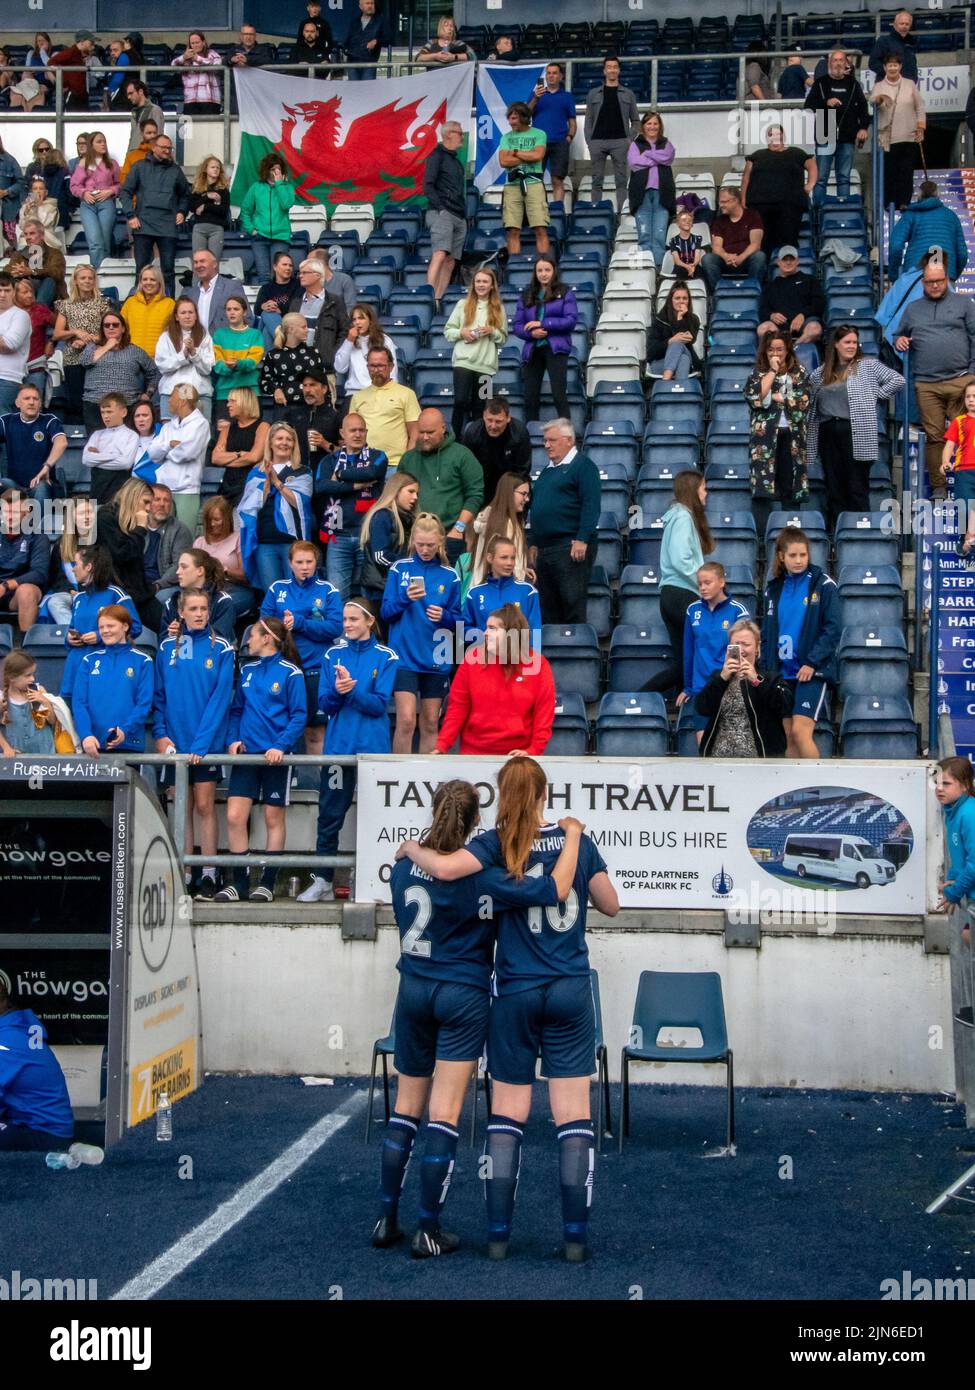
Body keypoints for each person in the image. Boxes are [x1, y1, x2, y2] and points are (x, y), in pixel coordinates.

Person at [400, 755, 619, 1262]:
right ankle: (575, 1241)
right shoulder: (576, 842)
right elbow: (610, 903)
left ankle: (498, 1238)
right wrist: (574, 840)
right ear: (544, 794)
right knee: (573, 1117)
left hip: (515, 991)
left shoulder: (495, 845)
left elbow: (448, 868)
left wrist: (410, 846)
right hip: (569, 987)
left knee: (507, 1116)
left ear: (501, 794)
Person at [297, 596, 396, 908]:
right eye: (345, 619)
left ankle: (366, 879)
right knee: (330, 816)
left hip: (373, 752)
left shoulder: (387, 657)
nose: (348, 624)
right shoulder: (332, 654)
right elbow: (325, 704)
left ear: (369, 621)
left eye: (354, 619)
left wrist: (351, 691)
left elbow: (379, 704)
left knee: (373, 817)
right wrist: (341, 694)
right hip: (339, 750)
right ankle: (323, 880)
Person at [214, 616, 307, 905]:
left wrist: (280, 746)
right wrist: (232, 739)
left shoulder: (291, 673)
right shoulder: (247, 670)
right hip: (247, 757)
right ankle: (239, 883)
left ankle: (267, 883)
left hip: (275, 759)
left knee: (272, 817)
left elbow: (299, 715)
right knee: (234, 817)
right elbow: (237, 710)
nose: (247, 641)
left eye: (251, 636)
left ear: (267, 638)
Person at [153, 588, 235, 900]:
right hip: (174, 741)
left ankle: (209, 873)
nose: (199, 614)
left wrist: (201, 745)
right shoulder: (165, 648)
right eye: (193, 609)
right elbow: (159, 697)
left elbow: (220, 700)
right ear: (181, 613)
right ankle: (185, 873)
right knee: (181, 807)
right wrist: (161, 735)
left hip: (206, 743)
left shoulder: (223, 648)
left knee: (204, 805)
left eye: (203, 608)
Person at [808, 324, 905, 529]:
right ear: (836, 344)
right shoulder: (820, 373)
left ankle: (861, 531)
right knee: (834, 487)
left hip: (855, 432)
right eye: (847, 342)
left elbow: (897, 380)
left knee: (856, 486)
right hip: (828, 433)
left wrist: (875, 396)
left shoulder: (867, 365)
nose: (852, 346)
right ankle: (838, 533)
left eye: (854, 342)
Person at [381, 511, 462, 754]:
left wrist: (445, 617)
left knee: (430, 722)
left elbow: (460, 621)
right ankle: (398, 779)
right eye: (420, 544)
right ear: (412, 542)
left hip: (436, 657)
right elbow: (385, 613)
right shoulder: (399, 569)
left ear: (440, 543)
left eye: (430, 545)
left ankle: (429, 780)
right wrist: (405, 599)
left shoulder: (450, 576)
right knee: (406, 720)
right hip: (404, 656)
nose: (425, 550)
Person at [760, 526, 841, 758]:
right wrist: (768, 672)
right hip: (783, 674)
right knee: (788, 735)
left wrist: (812, 662)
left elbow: (833, 629)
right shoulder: (772, 590)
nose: (798, 560)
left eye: (803, 555)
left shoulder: (823, 585)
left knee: (800, 731)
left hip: (811, 672)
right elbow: (767, 634)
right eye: (793, 555)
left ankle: (817, 787)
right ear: (781, 557)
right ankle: (792, 793)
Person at [894, 261, 975, 493]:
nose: (935, 285)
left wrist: (972, 374)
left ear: (947, 279)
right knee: (934, 437)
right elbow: (899, 334)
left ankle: (964, 488)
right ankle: (939, 489)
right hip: (926, 383)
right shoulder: (913, 308)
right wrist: (899, 340)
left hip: (960, 379)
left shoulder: (964, 304)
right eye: (930, 282)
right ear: (923, 283)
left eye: (939, 281)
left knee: (967, 435)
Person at [260, 538, 342, 758]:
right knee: (286, 728)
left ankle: (317, 787)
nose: (305, 567)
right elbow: (264, 625)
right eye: (299, 562)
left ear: (316, 562)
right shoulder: (277, 589)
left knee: (315, 731)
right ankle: (290, 785)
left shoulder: (328, 591)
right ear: (290, 563)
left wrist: (301, 623)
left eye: (309, 561)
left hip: (316, 669)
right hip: (285, 669)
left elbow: (336, 627)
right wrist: (282, 627)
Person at [435, 603, 552, 755]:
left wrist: (533, 750)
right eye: (486, 627)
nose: (484, 633)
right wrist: (442, 745)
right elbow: (457, 708)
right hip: (475, 754)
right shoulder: (472, 659)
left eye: (492, 628)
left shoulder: (538, 664)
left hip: (519, 757)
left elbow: (544, 712)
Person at [527, 420, 599, 625]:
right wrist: (533, 542)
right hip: (545, 549)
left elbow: (591, 505)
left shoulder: (584, 467)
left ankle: (574, 652)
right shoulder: (548, 471)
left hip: (569, 547)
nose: (547, 445)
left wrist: (582, 538)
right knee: (548, 607)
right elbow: (537, 507)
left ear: (569, 440)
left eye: (552, 440)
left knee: (572, 604)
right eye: (545, 441)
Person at [313, 411, 388, 597]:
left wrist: (339, 476)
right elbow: (321, 485)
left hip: (368, 535)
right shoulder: (329, 460)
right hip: (338, 535)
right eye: (352, 430)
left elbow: (371, 473)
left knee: (368, 592)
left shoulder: (377, 456)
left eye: (361, 430)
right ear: (342, 433)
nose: (357, 434)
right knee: (337, 594)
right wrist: (355, 485)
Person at [745, 332, 813, 533]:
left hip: (792, 439)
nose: (776, 353)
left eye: (779, 349)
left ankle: (790, 536)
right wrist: (772, 372)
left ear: (787, 350)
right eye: (771, 349)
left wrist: (778, 398)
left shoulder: (799, 372)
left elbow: (804, 401)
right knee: (763, 491)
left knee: (790, 488)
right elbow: (755, 397)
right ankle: (761, 540)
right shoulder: (758, 373)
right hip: (764, 441)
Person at [677, 562, 751, 746]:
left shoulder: (737, 611)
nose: (702, 587)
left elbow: (743, 651)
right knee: (705, 746)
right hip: (701, 688)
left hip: (728, 688)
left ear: (721, 582)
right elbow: (688, 651)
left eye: (707, 583)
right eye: (700, 583)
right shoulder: (692, 610)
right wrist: (687, 687)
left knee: (729, 746)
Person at [0, 973, 75, 1153]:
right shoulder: (15, 1028)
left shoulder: (9, 1039)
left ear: (2, 1003)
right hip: (29, 1125)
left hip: (45, 1137)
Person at [654, 471, 715, 694]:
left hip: (671, 595)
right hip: (683, 595)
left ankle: (683, 705)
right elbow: (681, 559)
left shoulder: (678, 516)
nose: (706, 493)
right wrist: (705, 583)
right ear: (693, 490)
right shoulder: (683, 518)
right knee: (694, 658)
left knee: (684, 662)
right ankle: (640, 695)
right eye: (703, 488)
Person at [399, 409, 485, 565]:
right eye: (421, 432)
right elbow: (397, 495)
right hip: (415, 539)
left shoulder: (462, 455)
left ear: (443, 428)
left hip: (450, 535)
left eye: (430, 432)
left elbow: (475, 494)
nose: (425, 437)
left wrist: (459, 528)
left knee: (449, 586)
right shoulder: (408, 459)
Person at [696, 618, 792, 758]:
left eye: (746, 644)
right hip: (718, 758)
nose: (740, 650)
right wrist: (722, 678)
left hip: (759, 760)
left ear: (757, 648)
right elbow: (702, 707)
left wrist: (756, 680)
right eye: (736, 644)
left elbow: (785, 705)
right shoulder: (718, 677)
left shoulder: (771, 678)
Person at [236, 422, 314, 590]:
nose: (284, 443)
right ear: (270, 442)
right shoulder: (256, 472)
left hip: (293, 544)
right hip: (265, 543)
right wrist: (265, 486)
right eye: (279, 438)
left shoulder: (303, 472)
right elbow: (248, 507)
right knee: (272, 593)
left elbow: (300, 503)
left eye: (289, 439)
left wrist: (277, 482)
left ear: (294, 444)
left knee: (298, 590)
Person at [60, 543, 141, 703]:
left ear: (89, 566)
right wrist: (69, 639)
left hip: (103, 667)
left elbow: (135, 627)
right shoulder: (79, 598)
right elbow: (71, 630)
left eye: (76, 564)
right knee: (70, 720)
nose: (73, 569)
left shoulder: (115, 594)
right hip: (75, 667)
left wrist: (99, 636)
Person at [74, 603, 154, 756]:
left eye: (110, 626)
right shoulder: (88, 661)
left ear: (125, 626)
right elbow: (79, 703)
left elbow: (144, 704)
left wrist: (125, 730)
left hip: (129, 744)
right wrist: (86, 735)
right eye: (101, 627)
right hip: (93, 745)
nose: (105, 631)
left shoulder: (143, 661)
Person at [120, 133, 190, 298]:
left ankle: (169, 305)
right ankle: (139, 303)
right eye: (163, 147)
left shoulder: (175, 170)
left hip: (167, 226)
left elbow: (186, 195)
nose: (167, 151)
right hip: (143, 224)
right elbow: (125, 192)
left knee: (167, 270)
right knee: (142, 270)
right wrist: (131, 215)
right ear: (154, 147)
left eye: (169, 148)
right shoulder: (139, 167)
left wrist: (182, 211)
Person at [512, 256, 578, 422]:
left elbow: (570, 321)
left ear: (554, 271)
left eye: (547, 270)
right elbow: (518, 325)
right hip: (533, 349)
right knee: (530, 396)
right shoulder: (527, 294)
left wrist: (543, 323)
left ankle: (567, 435)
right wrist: (531, 334)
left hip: (555, 348)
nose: (543, 274)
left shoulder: (564, 292)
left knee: (558, 394)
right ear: (535, 273)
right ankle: (531, 435)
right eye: (540, 270)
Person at [444, 268, 508, 440]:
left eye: (485, 281)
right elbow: (448, 332)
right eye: (478, 281)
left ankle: (478, 441)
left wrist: (492, 331)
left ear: (492, 285)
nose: (481, 285)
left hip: (486, 367)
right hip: (463, 363)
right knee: (460, 401)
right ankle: (455, 439)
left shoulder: (498, 308)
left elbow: (502, 339)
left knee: (482, 405)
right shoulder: (462, 305)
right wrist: (461, 333)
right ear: (473, 284)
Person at [805, 50, 869, 208]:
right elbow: (808, 106)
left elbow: (863, 108)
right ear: (829, 63)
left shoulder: (853, 84)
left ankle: (843, 212)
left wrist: (863, 128)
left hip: (847, 136)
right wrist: (825, 103)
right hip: (825, 134)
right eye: (835, 60)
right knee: (820, 179)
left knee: (844, 178)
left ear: (846, 63)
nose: (838, 63)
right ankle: (819, 213)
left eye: (842, 60)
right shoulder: (820, 83)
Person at [78, 309, 158, 434]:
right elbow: (86, 362)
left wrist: (148, 394)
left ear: (123, 328)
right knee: (98, 449)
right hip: (95, 406)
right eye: (106, 325)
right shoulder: (92, 347)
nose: (111, 328)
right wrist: (107, 346)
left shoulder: (135, 351)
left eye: (115, 325)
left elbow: (153, 372)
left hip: (127, 406)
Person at [143, 384, 210, 531]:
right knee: (160, 535)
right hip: (164, 489)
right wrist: (169, 445)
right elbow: (153, 454)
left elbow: (187, 453)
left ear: (183, 400)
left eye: (172, 397)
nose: (169, 401)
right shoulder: (168, 427)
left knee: (185, 536)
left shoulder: (201, 424)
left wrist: (165, 451)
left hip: (187, 490)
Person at [741, 125, 816, 257]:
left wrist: (810, 184)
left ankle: (787, 273)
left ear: (783, 136)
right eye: (771, 134)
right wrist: (743, 199)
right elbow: (746, 178)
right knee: (762, 242)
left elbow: (812, 166)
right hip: (760, 205)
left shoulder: (796, 153)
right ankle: (764, 275)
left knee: (788, 241)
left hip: (790, 205)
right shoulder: (757, 155)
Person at [52, 264, 108, 421]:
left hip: (96, 356)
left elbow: (108, 331)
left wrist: (87, 340)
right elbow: (57, 333)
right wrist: (75, 332)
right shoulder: (66, 304)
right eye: (83, 278)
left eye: (90, 278)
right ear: (75, 281)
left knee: (96, 398)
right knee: (76, 400)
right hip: (73, 357)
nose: (87, 281)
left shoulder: (102, 303)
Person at [870, 55, 925, 212]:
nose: (893, 68)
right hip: (888, 138)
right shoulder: (879, 86)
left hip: (909, 135)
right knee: (889, 171)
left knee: (906, 171)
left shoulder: (909, 85)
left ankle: (904, 202)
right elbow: (872, 101)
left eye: (895, 65)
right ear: (885, 67)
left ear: (900, 66)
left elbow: (920, 107)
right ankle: (889, 202)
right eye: (889, 65)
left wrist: (921, 127)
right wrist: (881, 97)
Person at [350, 347, 421, 468]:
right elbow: (350, 432)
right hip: (364, 464)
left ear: (391, 366)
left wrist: (406, 463)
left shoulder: (407, 394)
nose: (376, 370)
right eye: (372, 366)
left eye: (380, 366)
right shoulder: (358, 397)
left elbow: (415, 433)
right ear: (367, 367)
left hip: (395, 465)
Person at [584, 56, 639, 210]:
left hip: (620, 142)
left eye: (615, 67)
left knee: (621, 181)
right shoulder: (593, 94)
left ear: (619, 70)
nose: (612, 70)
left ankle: (622, 215)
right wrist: (590, 141)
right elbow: (588, 119)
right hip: (597, 142)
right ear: (604, 70)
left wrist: (629, 139)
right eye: (609, 67)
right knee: (596, 181)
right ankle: (597, 212)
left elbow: (636, 120)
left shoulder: (628, 94)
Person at [463, 536, 541, 641]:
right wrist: (486, 638)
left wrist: (531, 656)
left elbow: (535, 631)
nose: (509, 563)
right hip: (484, 655)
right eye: (504, 557)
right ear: (490, 558)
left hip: (518, 656)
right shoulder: (474, 593)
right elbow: (464, 629)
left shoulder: (528, 591)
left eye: (512, 558)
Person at [423, 121, 467, 305]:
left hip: (458, 214)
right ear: (448, 134)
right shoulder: (437, 156)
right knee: (440, 254)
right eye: (459, 133)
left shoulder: (455, 161)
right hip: (443, 212)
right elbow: (428, 184)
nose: (462, 137)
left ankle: (438, 300)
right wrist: (441, 208)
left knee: (450, 261)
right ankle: (427, 299)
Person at [889, 181, 968, 283]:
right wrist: (952, 274)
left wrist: (894, 275)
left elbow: (896, 245)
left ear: (919, 194)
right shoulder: (952, 216)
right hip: (944, 276)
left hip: (915, 276)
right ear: (937, 194)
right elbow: (963, 254)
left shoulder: (910, 214)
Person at [499, 103, 550, 258]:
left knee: (540, 227)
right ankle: (515, 264)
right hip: (512, 185)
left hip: (534, 184)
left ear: (523, 117)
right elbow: (503, 161)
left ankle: (544, 263)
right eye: (509, 118)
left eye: (514, 118)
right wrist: (526, 156)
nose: (510, 121)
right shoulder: (506, 137)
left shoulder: (539, 134)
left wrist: (514, 152)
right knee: (512, 229)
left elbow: (537, 156)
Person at [467, 471, 533, 590]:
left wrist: (522, 569)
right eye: (523, 494)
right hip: (497, 592)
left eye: (528, 495)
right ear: (508, 493)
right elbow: (497, 565)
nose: (526, 499)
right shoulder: (499, 522)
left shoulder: (505, 520)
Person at [358, 470, 419, 600]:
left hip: (399, 584)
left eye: (417, 493)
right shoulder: (382, 516)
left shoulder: (410, 519)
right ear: (396, 491)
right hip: (379, 588)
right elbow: (380, 556)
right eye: (410, 491)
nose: (415, 497)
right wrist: (408, 566)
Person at [239, 154, 297, 289]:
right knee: (264, 276)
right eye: (273, 169)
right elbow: (245, 211)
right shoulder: (256, 187)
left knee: (280, 276)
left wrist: (279, 184)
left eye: (278, 169)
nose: (276, 172)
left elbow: (286, 204)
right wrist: (251, 229)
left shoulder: (287, 187)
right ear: (266, 170)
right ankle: (267, 308)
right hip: (260, 237)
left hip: (280, 237)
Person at [0, 384, 65, 501]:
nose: (31, 402)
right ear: (17, 403)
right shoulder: (6, 421)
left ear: (40, 403)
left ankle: (39, 520)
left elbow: (61, 442)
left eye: (35, 399)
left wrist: (47, 467)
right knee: (3, 483)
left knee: (40, 488)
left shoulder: (49, 420)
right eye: (27, 398)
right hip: (15, 486)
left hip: (43, 483)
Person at [462, 398, 530, 509]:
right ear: (484, 416)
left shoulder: (519, 433)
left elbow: (522, 471)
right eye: (489, 420)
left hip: (510, 486)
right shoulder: (472, 433)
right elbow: (466, 470)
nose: (493, 426)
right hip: (482, 485)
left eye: (498, 421)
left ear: (508, 418)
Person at [627, 111, 675, 267]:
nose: (652, 127)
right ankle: (647, 268)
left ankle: (659, 271)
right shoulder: (635, 144)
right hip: (641, 194)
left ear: (660, 126)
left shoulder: (666, 143)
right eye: (649, 123)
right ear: (643, 126)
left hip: (663, 193)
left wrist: (647, 154)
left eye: (655, 123)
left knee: (660, 234)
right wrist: (656, 158)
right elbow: (634, 163)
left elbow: (667, 157)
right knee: (645, 234)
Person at [155, 297, 214, 419]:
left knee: (200, 435)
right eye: (183, 313)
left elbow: (207, 369)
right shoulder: (166, 337)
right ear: (176, 316)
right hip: (172, 392)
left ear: (196, 315)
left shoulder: (205, 336)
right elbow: (163, 366)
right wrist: (183, 356)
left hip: (199, 392)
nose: (187, 316)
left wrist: (194, 353)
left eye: (191, 312)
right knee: (171, 434)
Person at [67, 130, 119, 269]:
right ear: (92, 145)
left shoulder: (112, 163)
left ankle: (105, 272)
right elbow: (74, 185)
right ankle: (96, 274)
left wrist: (110, 191)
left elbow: (120, 184)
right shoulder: (84, 163)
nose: (103, 144)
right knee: (95, 241)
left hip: (106, 203)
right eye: (99, 142)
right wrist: (84, 193)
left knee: (105, 241)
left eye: (104, 141)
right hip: (88, 205)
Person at [196, 494, 253, 620]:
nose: (212, 524)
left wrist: (224, 570)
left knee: (220, 606)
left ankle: (222, 638)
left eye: (217, 519)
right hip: (206, 589)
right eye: (208, 520)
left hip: (236, 588)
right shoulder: (200, 542)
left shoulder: (238, 538)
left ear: (226, 519)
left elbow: (247, 576)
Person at [0, 488, 49, 631]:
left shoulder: (38, 537)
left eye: (14, 512)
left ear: (26, 513)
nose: (9, 517)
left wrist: (6, 585)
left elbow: (39, 574)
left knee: (26, 591)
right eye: (5, 512)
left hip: (18, 593)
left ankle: (26, 647)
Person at [161, 548, 236, 642]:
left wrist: (184, 634)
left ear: (200, 571)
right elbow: (162, 645)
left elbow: (219, 642)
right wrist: (171, 636)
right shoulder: (172, 602)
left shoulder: (222, 601)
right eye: (178, 567)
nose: (178, 572)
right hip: (180, 656)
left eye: (184, 567)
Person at [528, 63, 577, 206]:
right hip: (539, 143)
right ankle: (539, 210)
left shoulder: (567, 97)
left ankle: (557, 211)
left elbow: (572, 122)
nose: (551, 76)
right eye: (548, 73)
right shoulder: (536, 95)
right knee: (536, 180)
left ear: (561, 76)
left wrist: (568, 138)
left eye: (554, 73)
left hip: (560, 142)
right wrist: (536, 98)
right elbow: (525, 115)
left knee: (557, 180)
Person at [211, 387, 268, 508]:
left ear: (244, 402)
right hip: (228, 485)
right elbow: (215, 458)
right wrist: (239, 454)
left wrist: (226, 460)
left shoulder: (263, 426)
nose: (227, 405)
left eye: (232, 401)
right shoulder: (227, 429)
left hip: (250, 484)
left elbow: (254, 457)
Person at [701, 186, 766, 292]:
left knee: (759, 256)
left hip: (746, 259)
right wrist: (726, 256)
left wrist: (741, 257)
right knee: (708, 259)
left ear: (735, 200)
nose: (720, 205)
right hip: (726, 261)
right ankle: (720, 293)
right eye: (720, 202)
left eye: (724, 202)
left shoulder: (752, 216)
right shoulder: (719, 221)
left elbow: (755, 244)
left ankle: (753, 291)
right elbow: (716, 247)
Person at [757, 246, 825, 346]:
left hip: (805, 322)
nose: (788, 262)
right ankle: (784, 349)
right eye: (784, 259)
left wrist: (803, 315)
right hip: (779, 325)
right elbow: (763, 309)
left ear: (797, 261)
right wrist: (771, 315)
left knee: (815, 329)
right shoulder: (771, 286)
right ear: (778, 262)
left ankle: (793, 348)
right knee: (763, 329)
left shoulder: (809, 280)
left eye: (791, 259)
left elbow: (819, 303)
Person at [212, 295, 264, 421]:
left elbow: (253, 362)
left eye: (236, 309)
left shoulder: (255, 334)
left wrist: (238, 364)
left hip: (249, 392)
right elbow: (217, 364)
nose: (232, 312)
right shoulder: (219, 334)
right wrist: (230, 366)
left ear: (245, 312)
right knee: (224, 435)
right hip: (225, 392)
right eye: (229, 309)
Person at [81, 391, 139, 503]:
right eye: (103, 412)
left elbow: (126, 463)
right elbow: (86, 460)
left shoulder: (131, 435)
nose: (106, 416)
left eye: (109, 412)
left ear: (123, 412)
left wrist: (97, 457)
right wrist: (115, 456)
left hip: (120, 493)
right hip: (97, 491)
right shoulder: (96, 434)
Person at [333, 303, 398, 403]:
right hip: (354, 394)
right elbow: (340, 368)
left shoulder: (385, 340)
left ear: (370, 320)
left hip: (378, 393)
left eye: (361, 318)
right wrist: (349, 341)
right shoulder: (350, 341)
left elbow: (392, 372)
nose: (357, 322)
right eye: (354, 319)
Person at [935, 756, 975, 913]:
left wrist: (954, 892)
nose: (939, 788)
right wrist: (953, 880)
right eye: (936, 783)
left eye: (946, 783)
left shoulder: (969, 813)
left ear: (965, 785)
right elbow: (960, 859)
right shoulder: (954, 812)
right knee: (966, 936)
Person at [284, 368, 341, 472]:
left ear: (324, 389)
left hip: (324, 476)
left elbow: (347, 452)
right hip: (298, 475)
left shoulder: (335, 416)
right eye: (304, 385)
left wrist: (325, 444)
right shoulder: (293, 415)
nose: (307, 390)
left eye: (312, 385)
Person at [261, 315, 323, 411]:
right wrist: (276, 389)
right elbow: (265, 380)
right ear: (291, 329)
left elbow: (322, 380)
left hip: (311, 408)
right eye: (303, 327)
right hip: (284, 409)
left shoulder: (313, 352)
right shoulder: (273, 355)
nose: (307, 330)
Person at [943, 381, 975, 565]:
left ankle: (969, 539)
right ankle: (966, 537)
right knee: (964, 506)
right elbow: (950, 444)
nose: (971, 400)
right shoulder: (959, 421)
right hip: (964, 470)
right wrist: (945, 461)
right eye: (968, 396)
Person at [186, 249, 250, 337]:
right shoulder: (191, 293)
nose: (198, 265)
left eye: (202, 261)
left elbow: (247, 317)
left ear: (215, 264)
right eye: (195, 262)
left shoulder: (231, 287)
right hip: (197, 346)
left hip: (225, 346)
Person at [646, 282, 702, 381]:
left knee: (678, 345)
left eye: (685, 298)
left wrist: (680, 318)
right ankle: (680, 392)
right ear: (670, 300)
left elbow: (686, 342)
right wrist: (670, 341)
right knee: (682, 357)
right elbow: (651, 351)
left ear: (689, 301)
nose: (681, 301)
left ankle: (665, 383)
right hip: (660, 362)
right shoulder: (659, 320)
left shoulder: (694, 320)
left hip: (688, 360)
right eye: (677, 298)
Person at [120, 264, 175, 357]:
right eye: (145, 279)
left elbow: (175, 334)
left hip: (159, 359)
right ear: (140, 282)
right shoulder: (130, 302)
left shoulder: (170, 304)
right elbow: (119, 329)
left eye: (152, 279)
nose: (148, 282)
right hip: (133, 358)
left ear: (159, 283)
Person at [14, 275, 54, 396]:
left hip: (35, 368)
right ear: (15, 295)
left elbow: (62, 326)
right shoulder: (9, 312)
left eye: (31, 291)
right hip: (13, 370)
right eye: (25, 292)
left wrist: (51, 342)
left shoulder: (40, 310)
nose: (30, 295)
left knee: (34, 406)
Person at [188, 155, 231, 262]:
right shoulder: (197, 186)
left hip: (217, 228)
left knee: (214, 263)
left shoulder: (223, 189)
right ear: (205, 169)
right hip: (199, 228)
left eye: (218, 167)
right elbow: (192, 207)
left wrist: (205, 206)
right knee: (198, 262)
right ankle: (197, 280)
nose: (216, 169)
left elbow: (223, 210)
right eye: (213, 167)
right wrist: (207, 196)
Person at [16, 219, 67, 305]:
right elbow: (7, 270)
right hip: (25, 296)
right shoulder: (18, 255)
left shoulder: (55, 253)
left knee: (49, 280)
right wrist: (17, 272)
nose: (28, 237)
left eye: (32, 233)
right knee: (14, 281)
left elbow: (57, 273)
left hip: (52, 299)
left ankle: (38, 310)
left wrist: (32, 271)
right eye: (25, 234)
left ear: (42, 235)